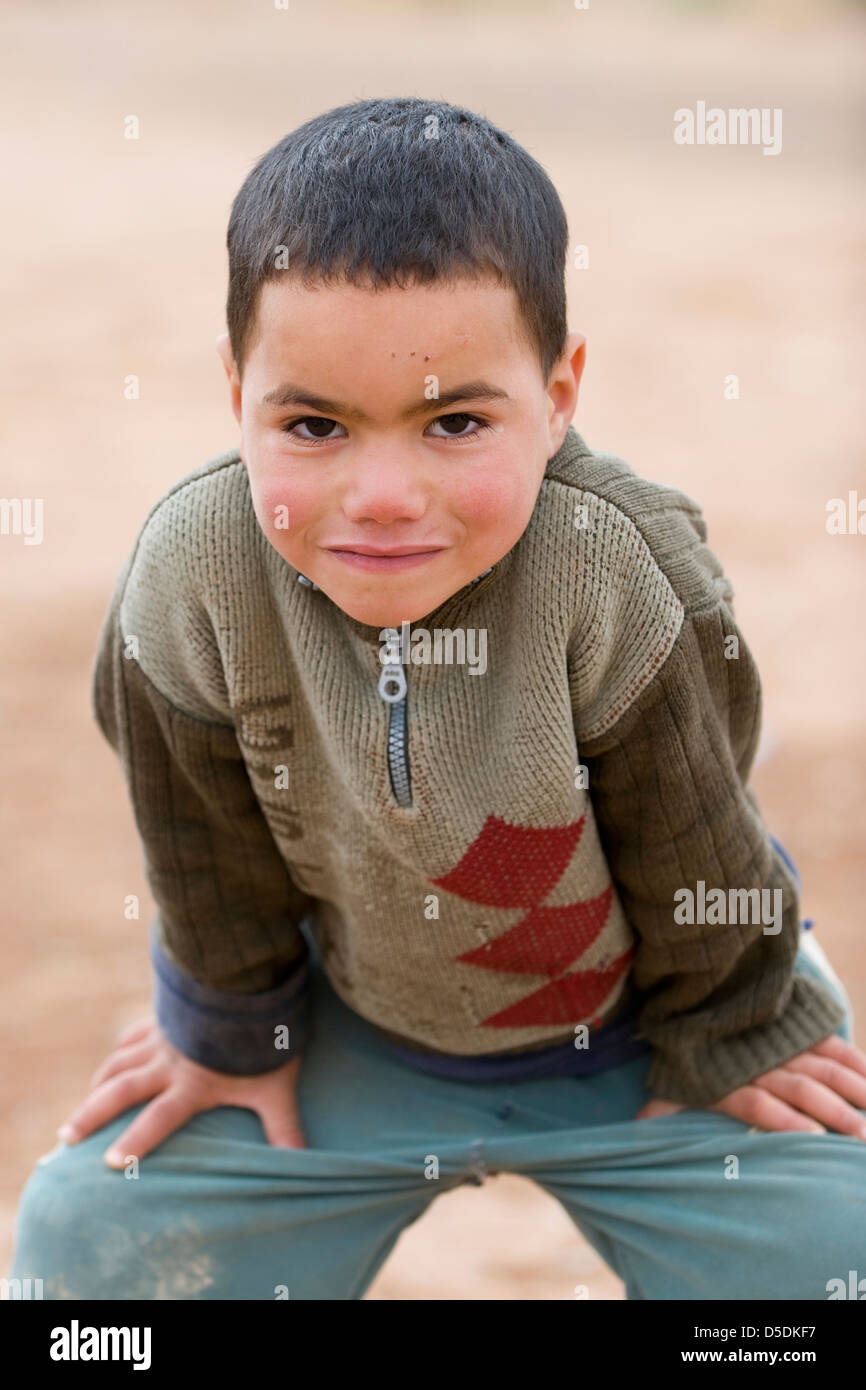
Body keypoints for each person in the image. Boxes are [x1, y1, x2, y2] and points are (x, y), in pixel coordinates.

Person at [9, 96, 866, 1301]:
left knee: (834, 1266)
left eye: (454, 421)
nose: (383, 494)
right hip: (351, 1031)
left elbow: (697, 841)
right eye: (311, 424)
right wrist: (230, 1028)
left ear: (559, 391)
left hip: (661, 1023)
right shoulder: (191, 571)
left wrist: (732, 1039)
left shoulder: (617, 567)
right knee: (90, 1253)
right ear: (234, 388)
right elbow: (202, 850)